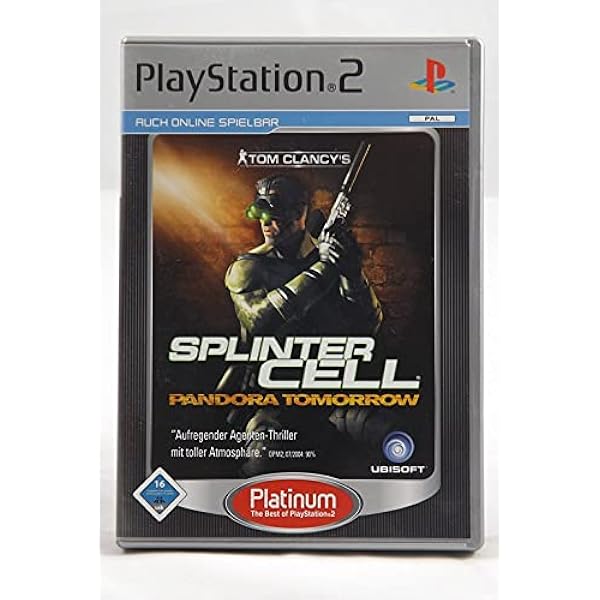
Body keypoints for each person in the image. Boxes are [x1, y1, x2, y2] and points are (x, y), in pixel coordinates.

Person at [217, 175, 383, 475]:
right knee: (263, 463)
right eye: (261, 213)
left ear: (299, 211)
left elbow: (366, 326)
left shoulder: (330, 255)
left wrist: (352, 274)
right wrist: (324, 267)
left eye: (275, 213)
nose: (265, 222)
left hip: (331, 396)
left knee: (391, 437)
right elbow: (260, 321)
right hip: (269, 400)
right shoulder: (247, 267)